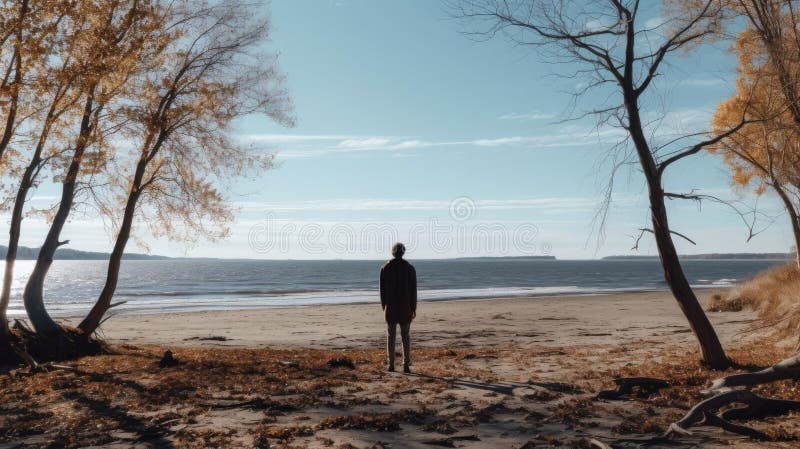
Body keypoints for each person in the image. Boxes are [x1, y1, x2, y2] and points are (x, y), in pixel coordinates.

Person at [379, 242, 417, 373]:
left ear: (393, 252)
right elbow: (413, 290)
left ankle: (391, 365)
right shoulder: (409, 268)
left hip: (391, 308)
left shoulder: (385, 267)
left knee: (391, 336)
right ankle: (406, 364)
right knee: (405, 336)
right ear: (403, 252)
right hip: (405, 307)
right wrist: (413, 307)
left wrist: (384, 307)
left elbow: (382, 291)